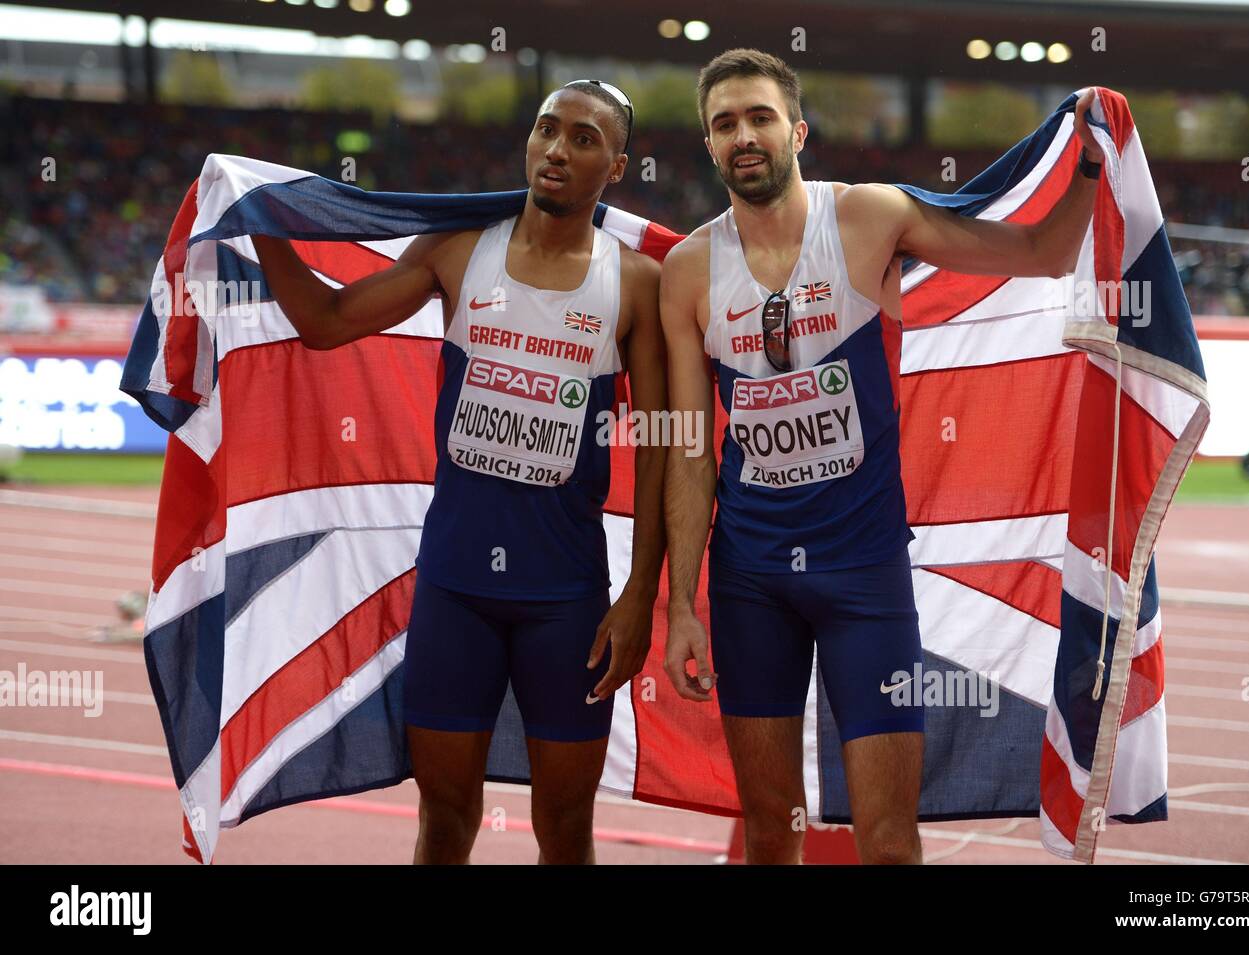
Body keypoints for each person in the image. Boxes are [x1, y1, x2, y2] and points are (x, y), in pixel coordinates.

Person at [660, 49, 1102, 864]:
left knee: (890, 841)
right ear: (710, 146)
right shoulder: (688, 269)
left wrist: (1085, 169)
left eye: (759, 116)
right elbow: (690, 451)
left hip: (865, 574)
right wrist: (682, 602)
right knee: (768, 833)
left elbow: (1041, 251)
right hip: (750, 578)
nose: (743, 135)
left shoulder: (867, 217)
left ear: (797, 129)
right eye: (724, 124)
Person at [251, 80, 667, 864]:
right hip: (455, 587)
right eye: (547, 130)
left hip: (567, 601)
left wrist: (641, 594)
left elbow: (658, 450)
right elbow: (327, 321)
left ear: (616, 166)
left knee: (566, 831)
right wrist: (261, 223)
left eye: (583, 139)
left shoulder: (635, 283)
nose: (557, 149)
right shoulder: (459, 248)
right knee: (444, 821)